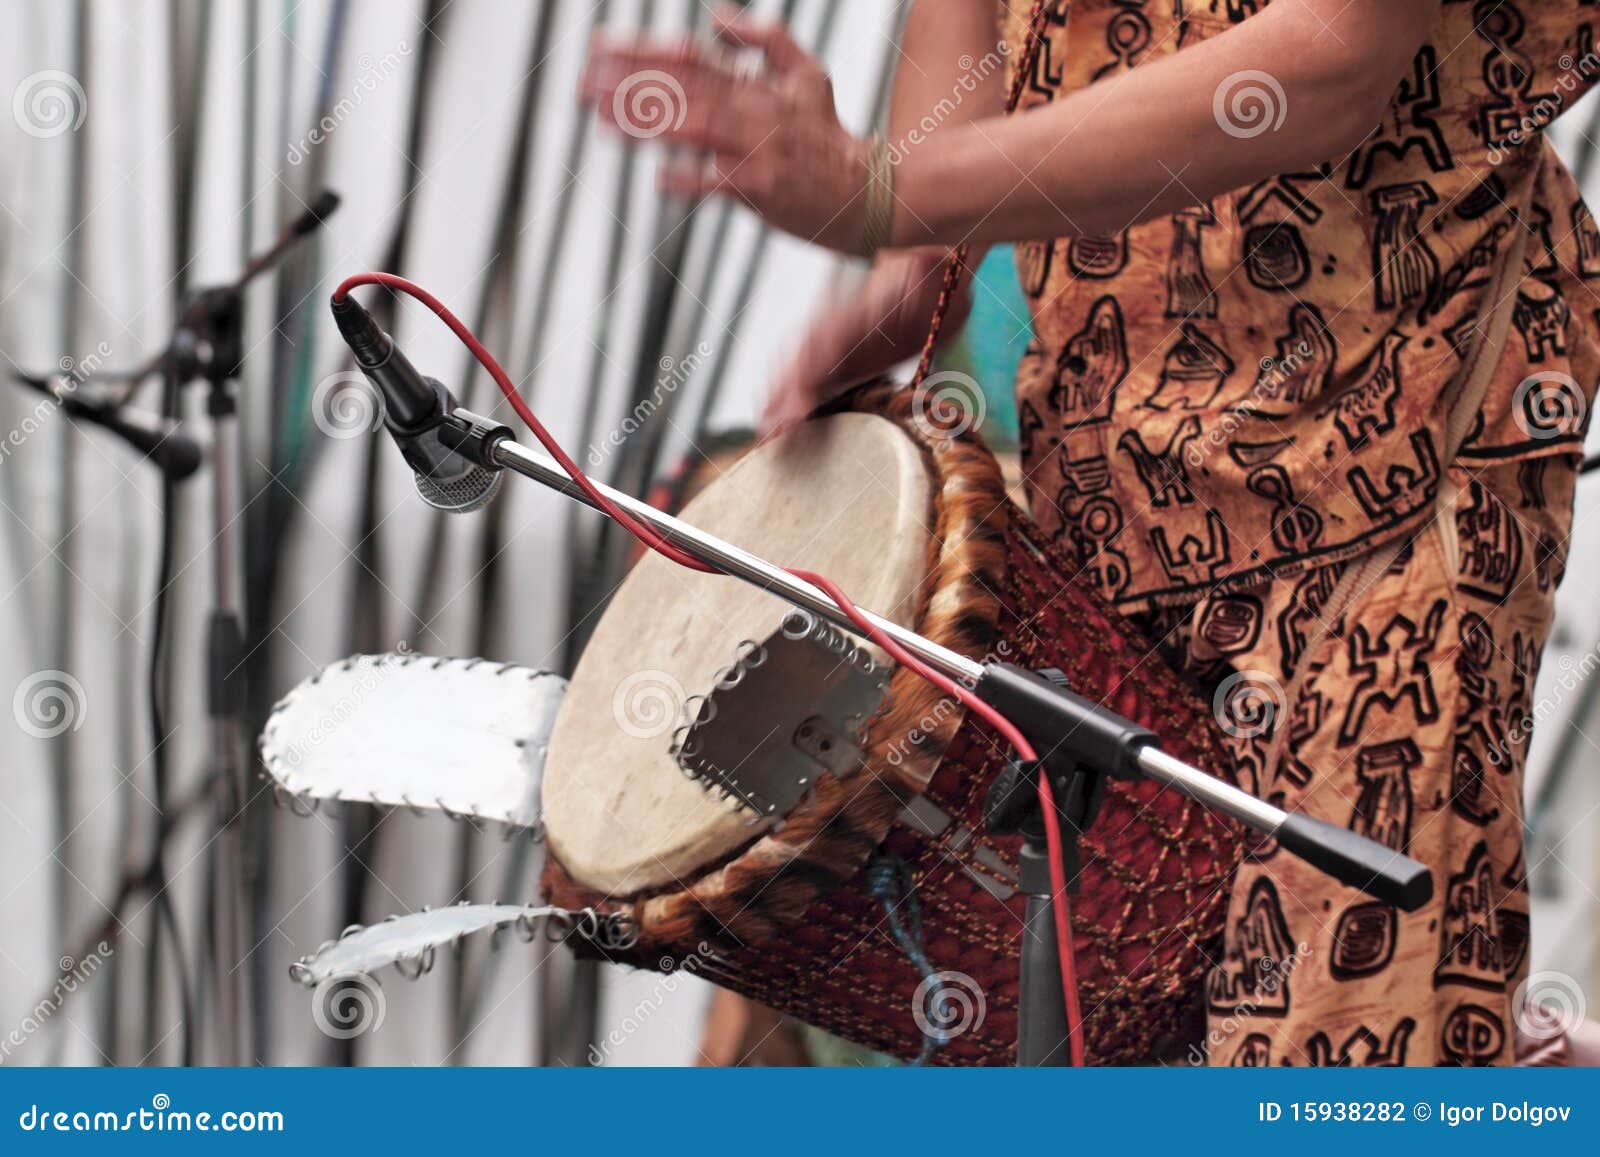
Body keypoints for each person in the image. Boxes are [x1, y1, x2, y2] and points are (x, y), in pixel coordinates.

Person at [581, 1, 1600, 1066]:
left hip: (1401, 426)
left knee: (1334, 1035)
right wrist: (914, 279)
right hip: (1115, 455)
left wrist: (877, 188)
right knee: (1129, 1000)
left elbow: (1330, 64)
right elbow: (971, 52)